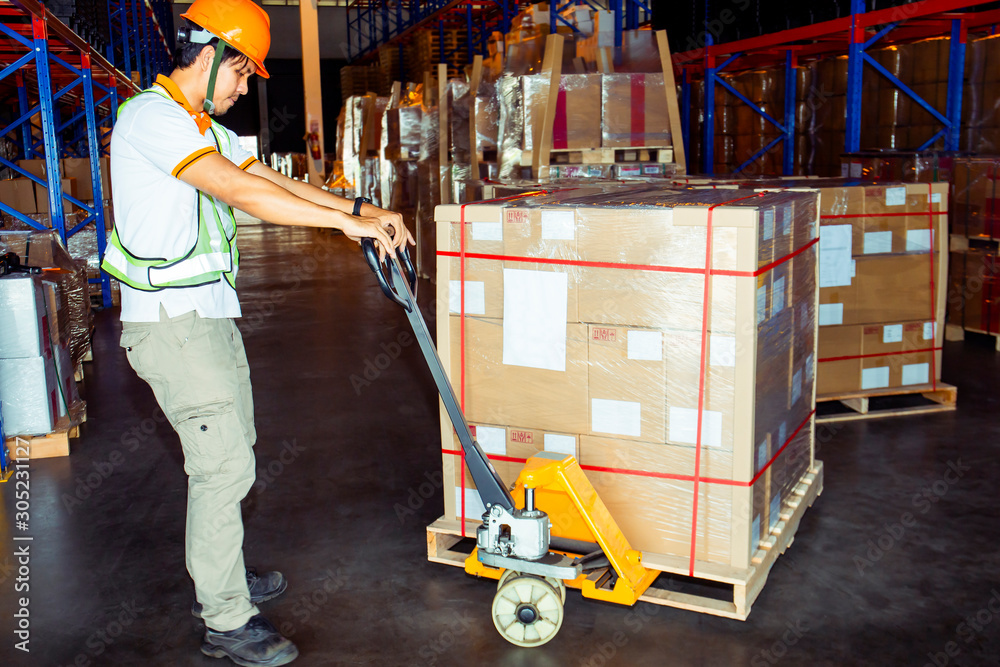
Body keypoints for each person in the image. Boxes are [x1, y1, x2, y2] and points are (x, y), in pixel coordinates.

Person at [100, 0, 412, 664]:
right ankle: (226, 618)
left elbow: (268, 178)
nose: (245, 89)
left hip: (207, 316)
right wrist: (343, 228)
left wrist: (359, 208)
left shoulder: (199, 124)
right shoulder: (151, 119)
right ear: (210, 55)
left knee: (236, 447)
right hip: (171, 325)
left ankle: (224, 574)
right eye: (242, 74)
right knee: (222, 465)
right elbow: (238, 194)